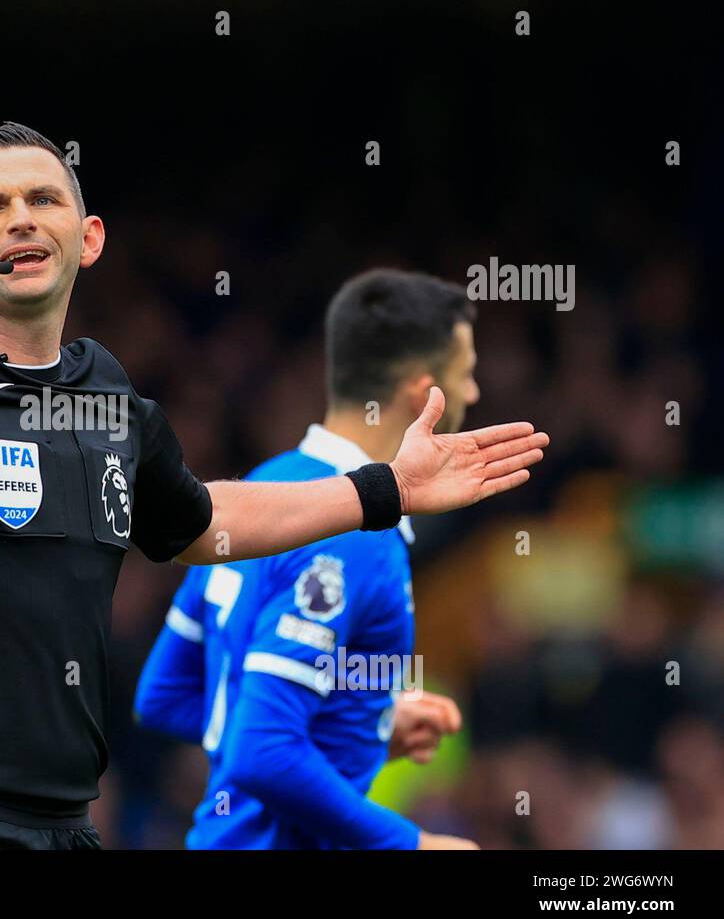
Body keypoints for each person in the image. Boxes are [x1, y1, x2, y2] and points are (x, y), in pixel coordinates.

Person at [0, 123, 547, 849]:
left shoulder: (108, 395)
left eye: (42, 199)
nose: (20, 219)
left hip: (67, 821)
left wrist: (384, 488)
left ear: (88, 236)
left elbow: (205, 523)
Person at [135, 269, 490, 849]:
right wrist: (413, 845)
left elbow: (166, 695)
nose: (474, 393)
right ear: (424, 392)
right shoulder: (356, 534)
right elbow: (263, 750)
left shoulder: (263, 494)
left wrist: (361, 727)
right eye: (467, 374)